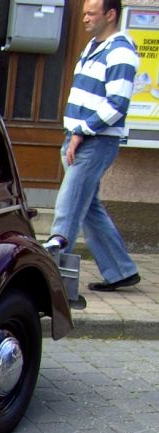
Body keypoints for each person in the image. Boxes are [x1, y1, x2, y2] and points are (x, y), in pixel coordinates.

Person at [43, 0, 141, 292]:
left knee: (69, 205)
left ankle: (54, 278)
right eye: (84, 12)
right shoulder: (93, 46)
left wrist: (81, 132)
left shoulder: (121, 51)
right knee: (88, 207)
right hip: (77, 136)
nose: (84, 18)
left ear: (110, 15)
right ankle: (121, 271)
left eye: (91, 13)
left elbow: (117, 104)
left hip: (96, 139)